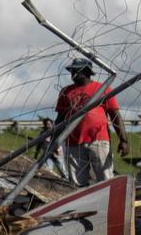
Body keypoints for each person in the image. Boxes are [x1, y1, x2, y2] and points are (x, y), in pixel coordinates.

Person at [54, 58, 129, 186]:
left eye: (77, 71)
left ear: (87, 72)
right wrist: (54, 141)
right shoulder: (65, 92)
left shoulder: (102, 88)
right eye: (72, 71)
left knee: (105, 180)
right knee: (77, 183)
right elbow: (60, 118)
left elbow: (115, 115)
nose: (73, 74)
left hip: (98, 140)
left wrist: (123, 140)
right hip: (73, 143)